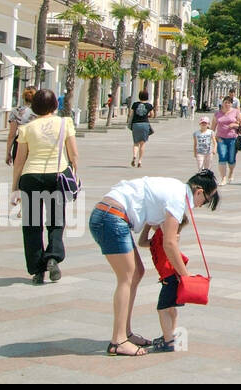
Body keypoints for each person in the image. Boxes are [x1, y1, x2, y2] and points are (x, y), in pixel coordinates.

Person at [87, 169, 219, 356]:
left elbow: (158, 229)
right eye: (205, 201)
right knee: (127, 276)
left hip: (109, 214)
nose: (200, 205)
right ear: (198, 192)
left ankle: (125, 333)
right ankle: (118, 341)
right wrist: (185, 277)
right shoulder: (178, 197)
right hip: (111, 217)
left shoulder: (175, 188)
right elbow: (170, 243)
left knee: (136, 272)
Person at [8, 89, 78, 284]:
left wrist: (15, 188)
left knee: (31, 224)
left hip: (31, 177)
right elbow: (74, 155)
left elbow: (19, 161)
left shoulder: (27, 128)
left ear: (34, 106)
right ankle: (53, 257)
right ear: (55, 105)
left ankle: (38, 270)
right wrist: (75, 176)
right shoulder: (65, 123)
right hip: (57, 176)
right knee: (56, 221)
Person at [140, 215, 189, 352]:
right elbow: (142, 242)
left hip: (171, 277)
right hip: (171, 277)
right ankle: (170, 335)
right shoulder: (159, 236)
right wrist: (148, 225)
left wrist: (153, 222)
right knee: (171, 308)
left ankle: (168, 341)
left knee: (163, 309)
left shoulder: (168, 236)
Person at [212, 97, 241, 186]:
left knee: (231, 159)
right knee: (222, 157)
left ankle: (231, 172)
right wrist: (213, 139)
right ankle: (223, 178)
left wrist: (235, 125)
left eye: (229, 103)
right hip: (221, 138)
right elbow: (212, 128)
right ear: (222, 103)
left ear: (231, 104)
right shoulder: (217, 114)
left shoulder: (236, 112)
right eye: (225, 102)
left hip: (233, 138)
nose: (227, 104)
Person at [6, 87, 37, 166]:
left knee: (19, 170)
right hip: (35, 143)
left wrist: (8, 152)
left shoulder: (16, 111)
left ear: (23, 97)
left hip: (19, 143)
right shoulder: (40, 111)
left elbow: (12, 135)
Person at [128, 90, 155, 169]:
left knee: (136, 143)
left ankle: (134, 156)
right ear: (147, 97)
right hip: (145, 124)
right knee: (142, 144)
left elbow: (131, 114)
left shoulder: (135, 104)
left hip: (136, 124)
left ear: (139, 96)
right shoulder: (149, 105)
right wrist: (147, 116)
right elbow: (152, 115)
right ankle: (139, 161)